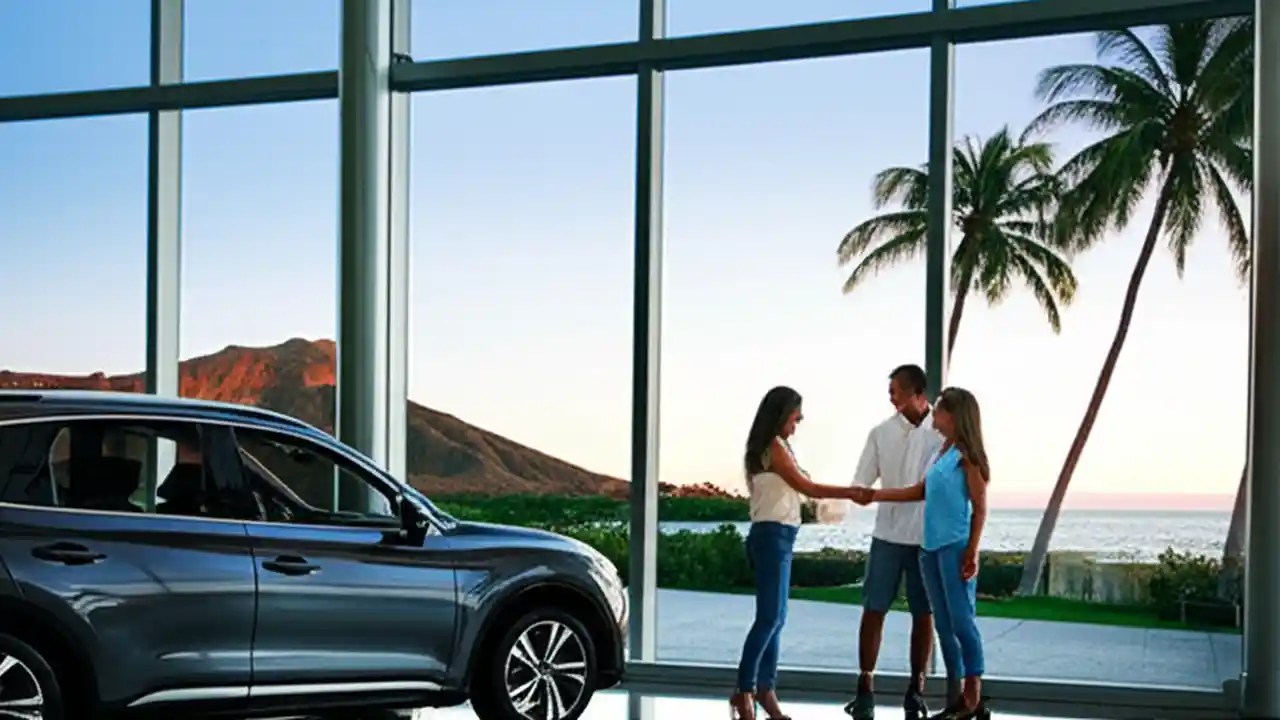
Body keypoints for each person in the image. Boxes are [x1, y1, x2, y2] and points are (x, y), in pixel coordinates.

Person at [731, 386, 869, 720]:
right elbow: (808, 488)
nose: (797, 425)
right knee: (769, 619)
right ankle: (744, 690)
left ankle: (765, 690)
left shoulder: (776, 447)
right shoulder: (774, 447)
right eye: (795, 418)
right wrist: (851, 492)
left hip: (780, 536)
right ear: (780, 415)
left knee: (776, 619)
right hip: (771, 537)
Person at [857, 387, 991, 720]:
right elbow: (920, 492)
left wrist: (972, 551)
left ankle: (974, 695)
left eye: (940, 409)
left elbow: (980, 507)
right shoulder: (941, 452)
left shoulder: (967, 457)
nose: (935, 414)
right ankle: (957, 695)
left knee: (961, 620)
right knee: (943, 625)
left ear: (955, 416)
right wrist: (876, 495)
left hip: (954, 546)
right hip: (930, 550)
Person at [845, 364, 944, 720]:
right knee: (873, 609)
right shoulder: (880, 433)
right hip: (886, 536)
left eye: (896, 391)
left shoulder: (942, 434)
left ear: (918, 393)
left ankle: (916, 690)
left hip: (926, 539)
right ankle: (865, 689)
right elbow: (861, 482)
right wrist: (857, 494)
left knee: (924, 614)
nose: (890, 397)